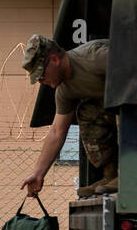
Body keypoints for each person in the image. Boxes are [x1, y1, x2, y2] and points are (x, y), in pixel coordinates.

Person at [19, 34, 117, 198]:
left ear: (55, 60)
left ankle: (129, 174)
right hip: (119, 112)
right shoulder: (65, 90)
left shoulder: (95, 57)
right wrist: (38, 174)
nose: (41, 81)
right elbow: (57, 131)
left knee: (122, 102)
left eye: (41, 74)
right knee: (86, 112)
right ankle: (111, 175)